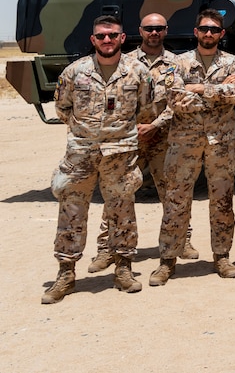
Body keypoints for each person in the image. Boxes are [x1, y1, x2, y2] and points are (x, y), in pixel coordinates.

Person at [42, 16, 153, 304]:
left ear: (122, 38)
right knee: (71, 210)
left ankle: (124, 269)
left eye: (112, 35)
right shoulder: (74, 72)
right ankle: (66, 273)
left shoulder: (137, 71)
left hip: (120, 154)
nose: (107, 40)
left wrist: (118, 134)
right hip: (81, 153)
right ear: (93, 40)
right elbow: (63, 108)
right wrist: (89, 133)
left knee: (122, 210)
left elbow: (145, 109)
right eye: (101, 36)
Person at [88, 14, 198, 273]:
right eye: (149, 28)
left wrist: (156, 125)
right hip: (129, 139)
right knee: (118, 193)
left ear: (166, 31)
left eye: (159, 28)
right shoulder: (124, 62)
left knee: (173, 193)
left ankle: (183, 241)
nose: (154, 33)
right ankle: (106, 249)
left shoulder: (176, 63)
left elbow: (179, 101)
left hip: (164, 137)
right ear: (140, 31)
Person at [152, 9, 235, 285]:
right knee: (176, 201)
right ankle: (167, 261)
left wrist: (197, 88)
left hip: (221, 144)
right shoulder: (178, 63)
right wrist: (217, 92)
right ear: (196, 32)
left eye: (214, 30)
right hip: (184, 143)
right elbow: (174, 98)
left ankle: (222, 256)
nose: (209, 34)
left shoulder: (233, 62)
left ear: (221, 34)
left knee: (222, 201)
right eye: (204, 29)